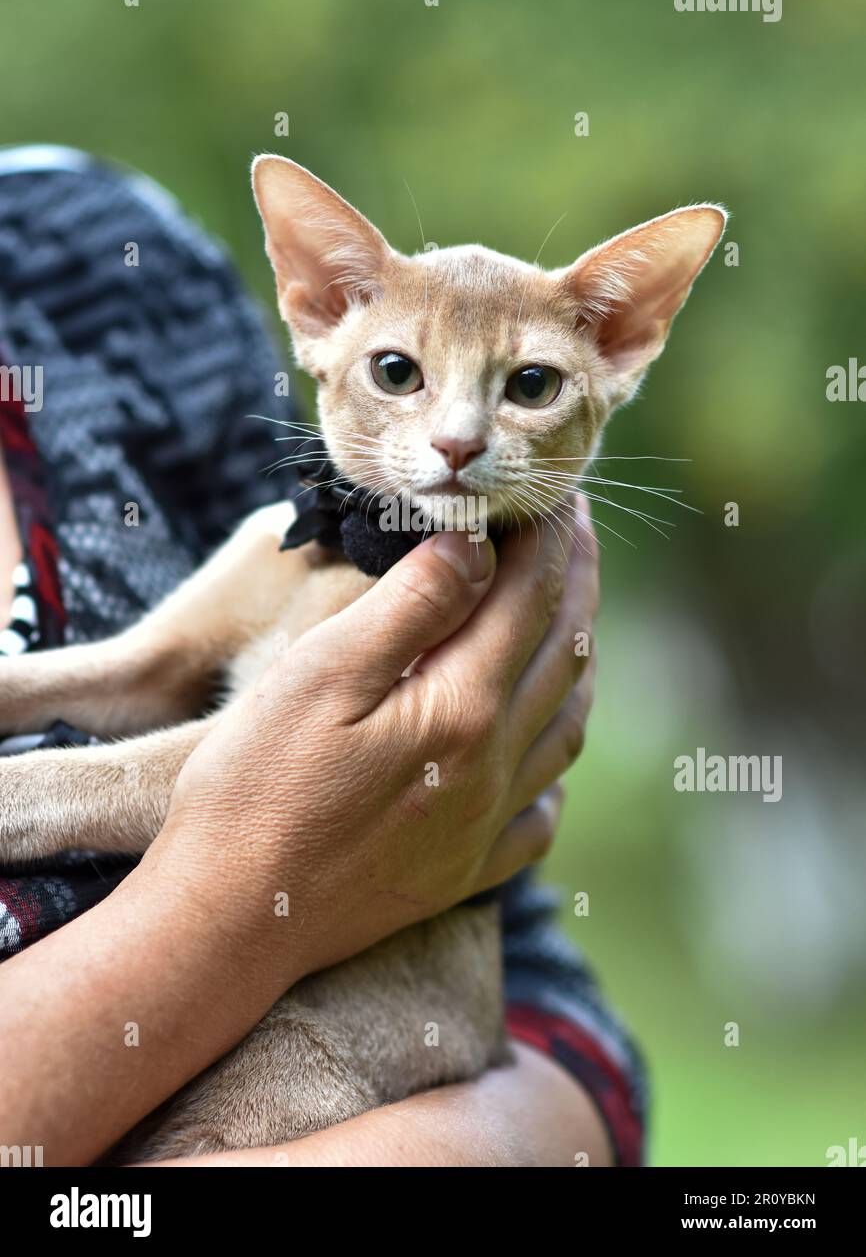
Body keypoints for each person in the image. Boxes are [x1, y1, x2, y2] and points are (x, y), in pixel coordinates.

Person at [0, 148, 645, 1166]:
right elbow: (213, 746)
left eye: (527, 384)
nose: (457, 435)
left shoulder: (98, 263)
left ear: (618, 345)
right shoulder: (290, 537)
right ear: (316, 310)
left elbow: (562, 1013)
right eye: (398, 371)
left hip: (342, 1052)